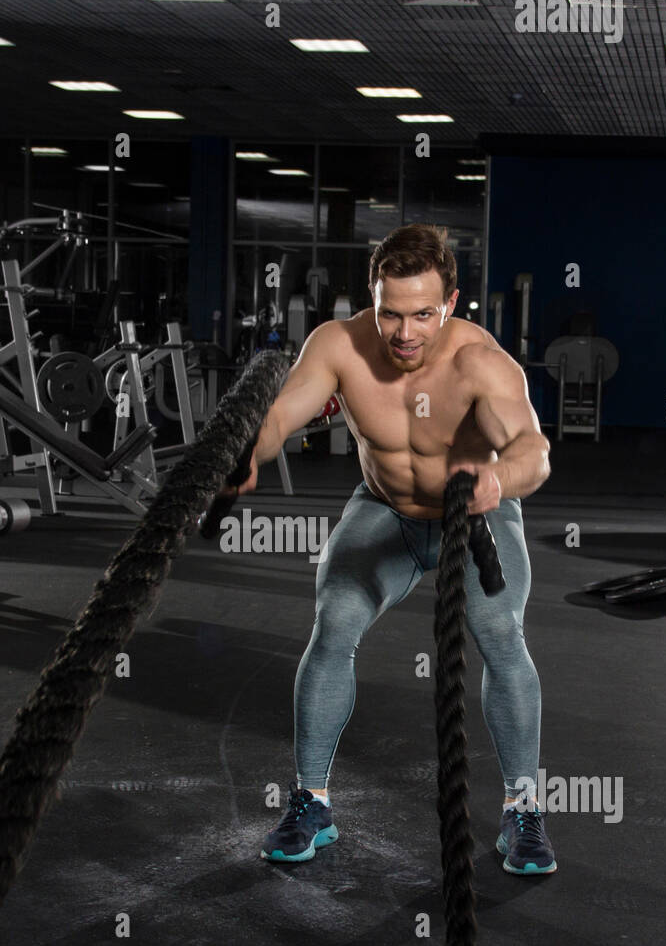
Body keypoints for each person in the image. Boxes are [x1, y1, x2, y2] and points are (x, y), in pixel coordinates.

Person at [228, 224, 555, 874]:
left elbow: (534, 453)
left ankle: (523, 810)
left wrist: (498, 479)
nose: (405, 333)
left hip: (475, 518)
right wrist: (246, 456)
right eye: (391, 313)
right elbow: (281, 418)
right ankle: (311, 802)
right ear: (371, 300)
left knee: (501, 635)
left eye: (423, 315)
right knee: (333, 628)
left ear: (451, 303)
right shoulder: (339, 346)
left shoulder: (480, 363)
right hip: (387, 513)